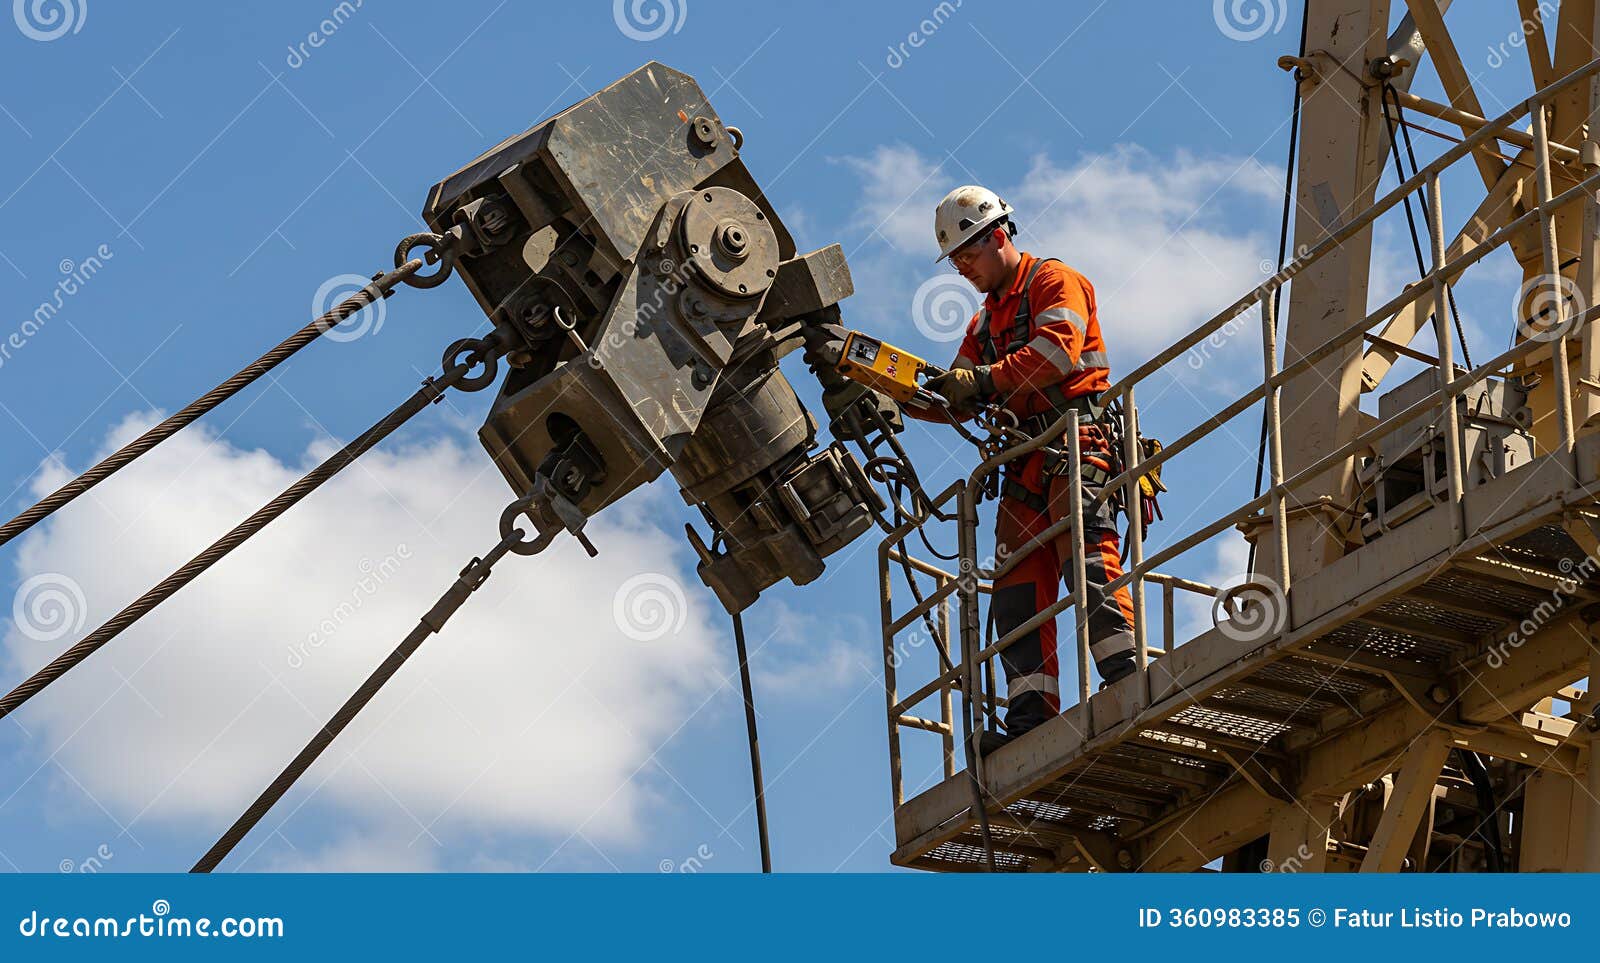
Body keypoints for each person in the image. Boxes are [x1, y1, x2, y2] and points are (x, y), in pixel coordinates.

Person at [911, 185, 1137, 748]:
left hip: (1075, 442)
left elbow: (1058, 353)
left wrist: (984, 382)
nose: (962, 269)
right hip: (1024, 463)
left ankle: (1127, 678)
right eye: (956, 261)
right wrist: (890, 395)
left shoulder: (1055, 282)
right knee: (1014, 586)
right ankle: (1031, 718)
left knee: (1086, 556)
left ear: (999, 237)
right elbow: (955, 395)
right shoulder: (985, 323)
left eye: (968, 255)